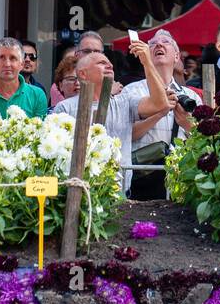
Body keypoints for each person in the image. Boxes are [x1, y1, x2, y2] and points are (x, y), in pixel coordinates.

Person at [51, 49, 176, 194]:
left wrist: (147, 63)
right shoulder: (64, 108)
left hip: (120, 194)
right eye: (101, 63)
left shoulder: (124, 101)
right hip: (78, 193)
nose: (109, 66)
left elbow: (160, 104)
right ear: (83, 74)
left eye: (110, 64)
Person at [126, 32, 200, 200]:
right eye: (152, 44)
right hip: (142, 179)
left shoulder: (192, 97)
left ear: (177, 57)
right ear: (146, 55)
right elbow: (127, 134)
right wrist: (160, 112)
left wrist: (187, 124)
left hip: (181, 180)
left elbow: (203, 142)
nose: (159, 45)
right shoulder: (132, 91)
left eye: (165, 42)